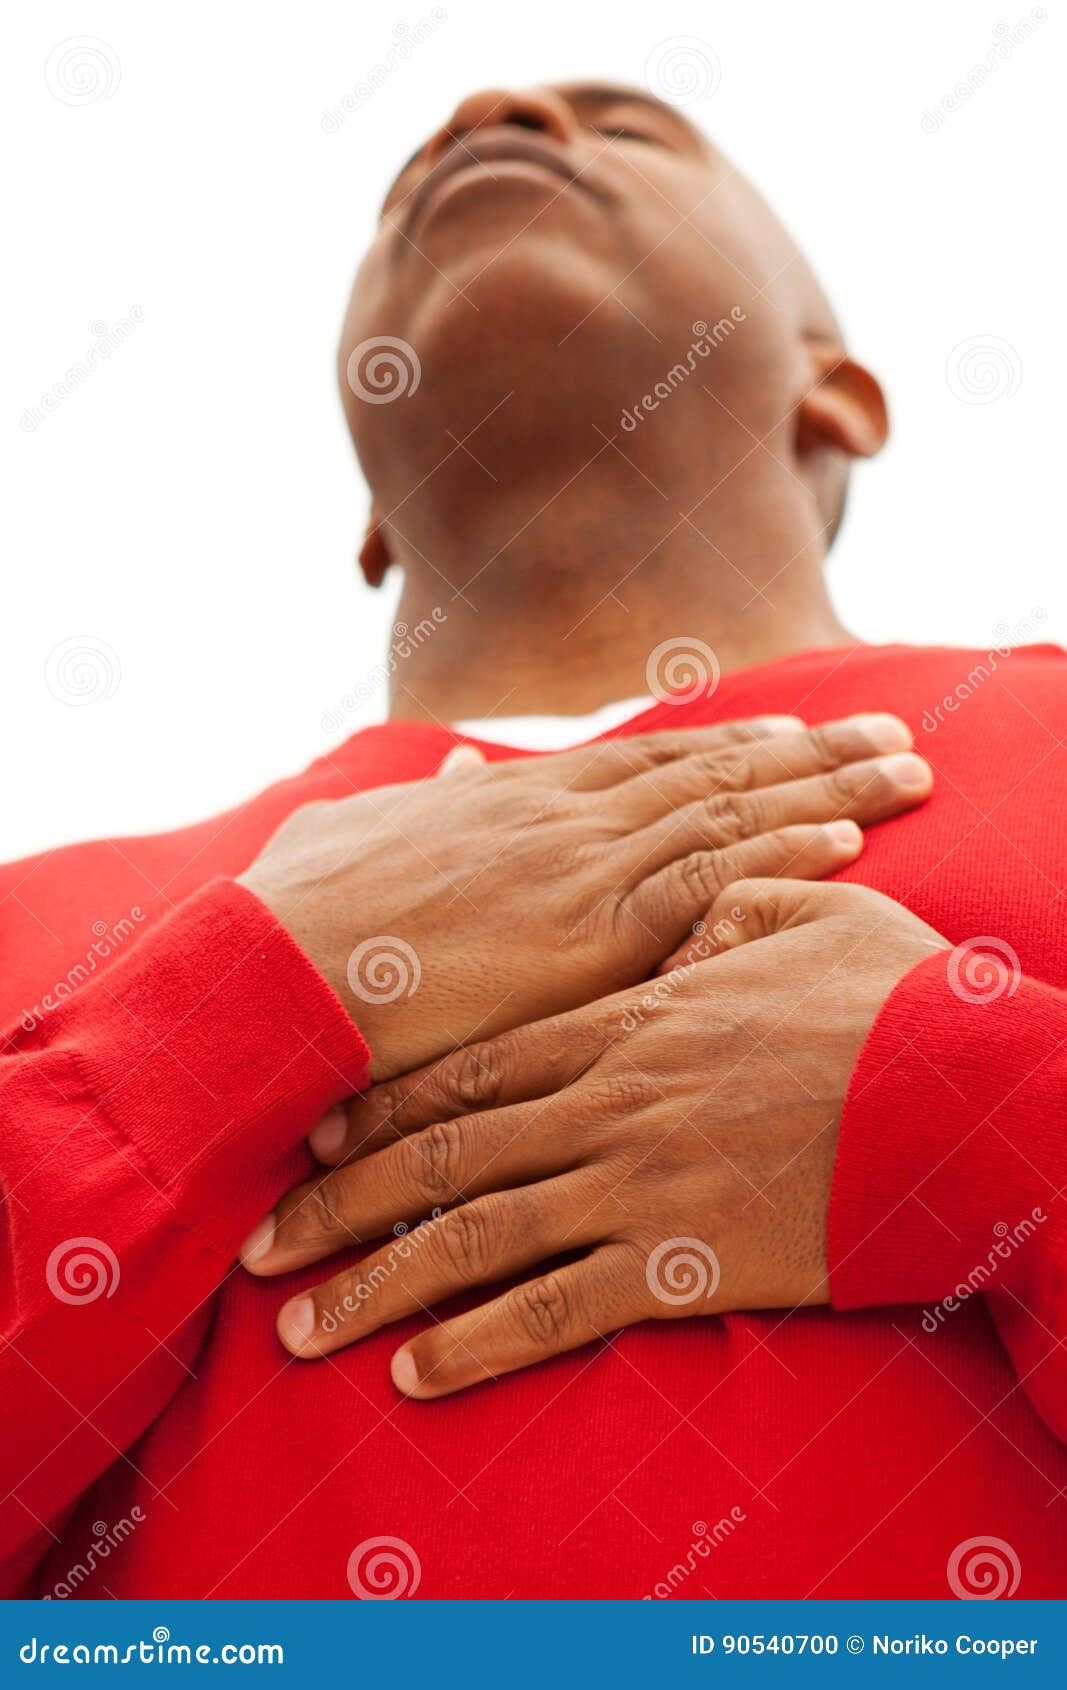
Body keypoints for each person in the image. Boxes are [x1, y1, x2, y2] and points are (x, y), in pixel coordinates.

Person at [1, 80, 1063, 1602]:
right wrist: (222, 1019)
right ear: (369, 518)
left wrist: (979, 1112)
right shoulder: (36, 924)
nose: (488, 106)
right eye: (411, 171)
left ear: (839, 393)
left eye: (627, 127)